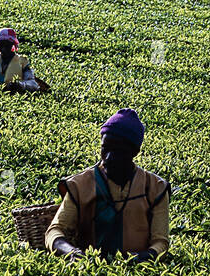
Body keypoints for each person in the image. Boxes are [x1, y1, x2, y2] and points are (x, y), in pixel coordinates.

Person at [45, 109, 169, 262]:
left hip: (138, 271)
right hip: (90, 269)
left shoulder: (155, 188)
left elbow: (161, 242)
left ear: (134, 152)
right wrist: (72, 253)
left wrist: (138, 259)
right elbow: (55, 232)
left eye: (119, 151)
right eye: (105, 148)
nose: (109, 157)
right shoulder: (80, 185)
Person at [0, 27, 48, 93]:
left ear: (12, 45)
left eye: (7, 45)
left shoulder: (21, 62)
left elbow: (33, 84)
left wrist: (19, 85)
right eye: (1, 44)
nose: (4, 48)